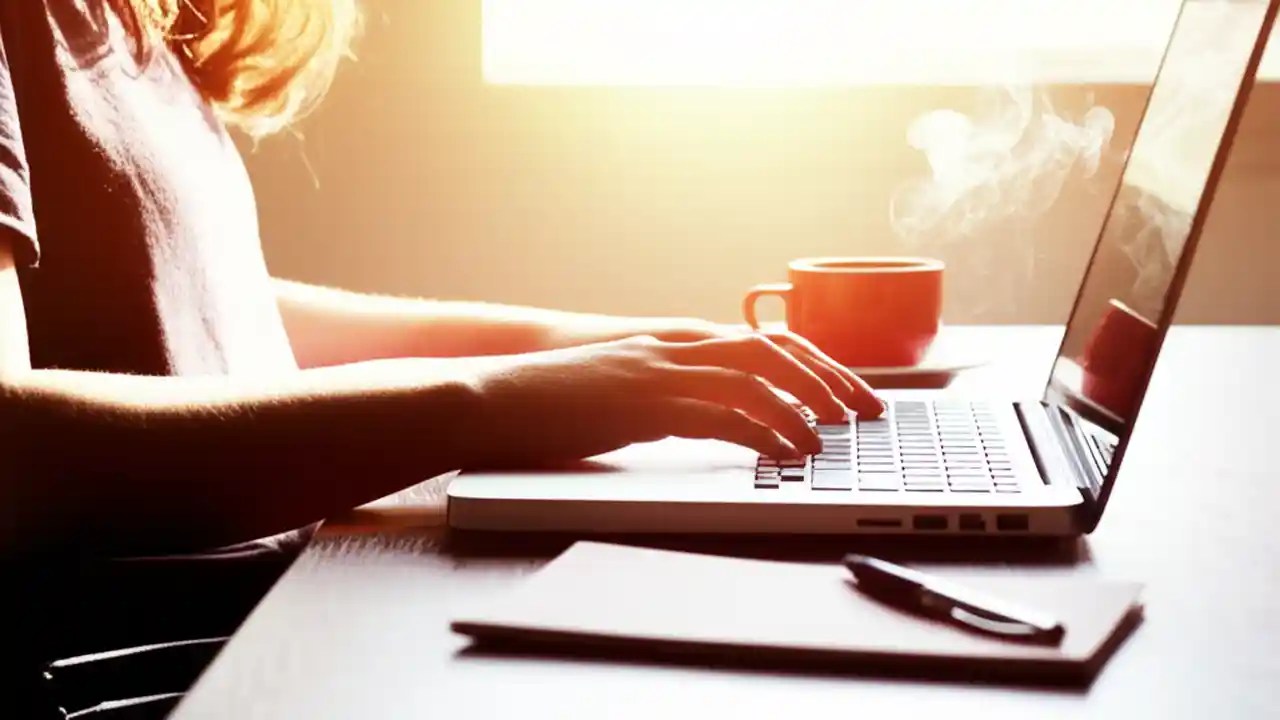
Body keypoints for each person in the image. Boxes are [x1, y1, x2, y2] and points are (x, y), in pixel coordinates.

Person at [0, 0, 883, 711]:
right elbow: (12, 442)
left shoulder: (132, 17)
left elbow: (208, 306)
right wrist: (494, 399)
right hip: (158, 674)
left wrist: (594, 350)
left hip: (293, 607)